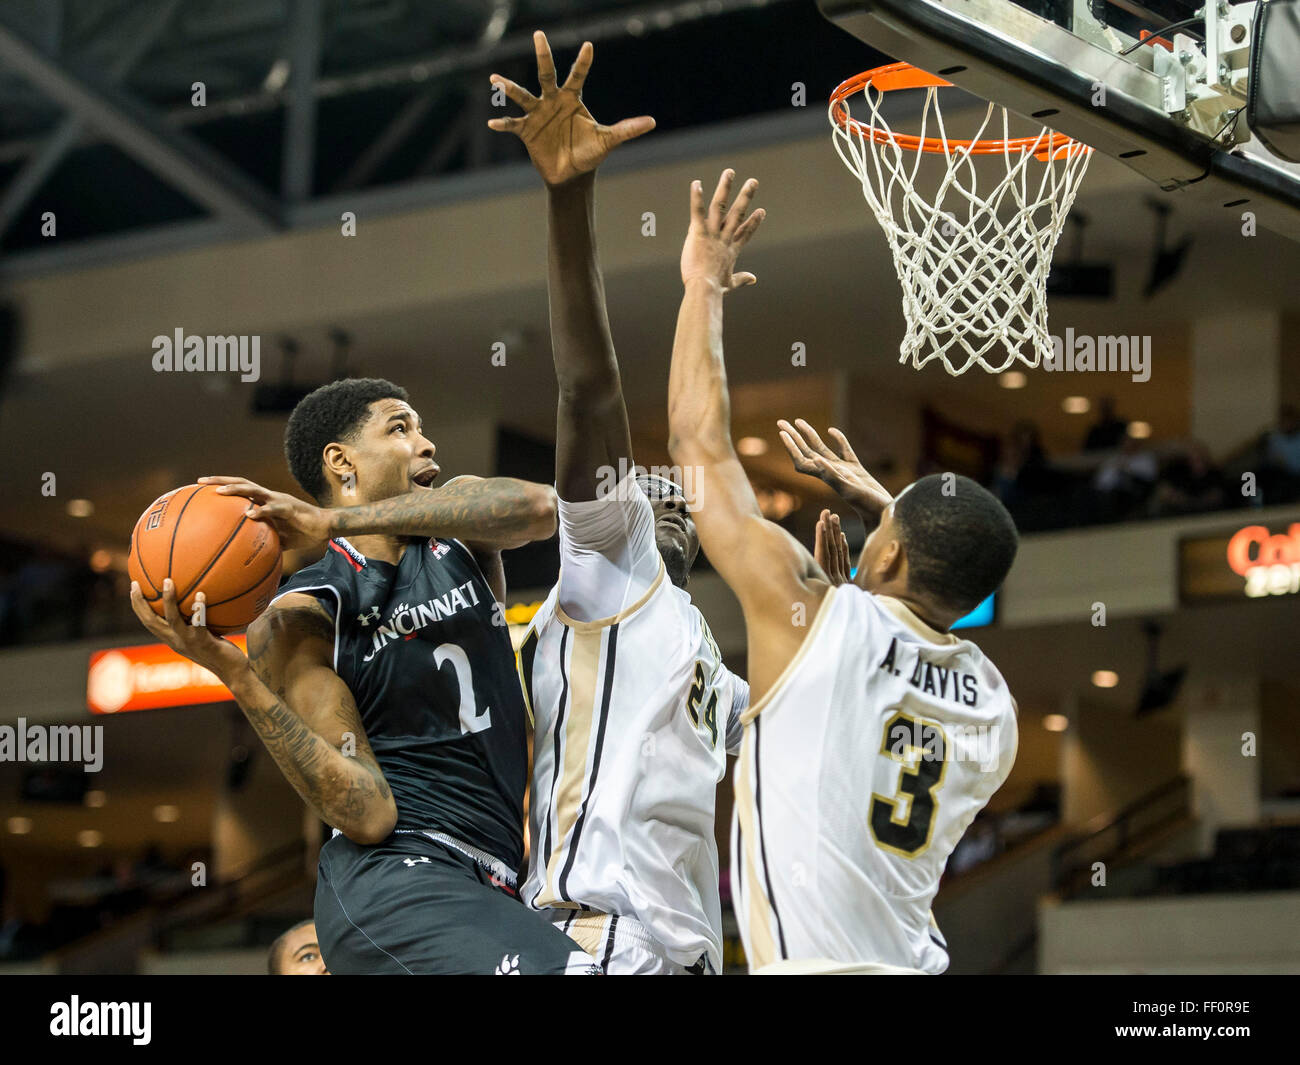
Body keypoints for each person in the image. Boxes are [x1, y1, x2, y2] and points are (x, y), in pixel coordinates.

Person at [667, 170, 1019, 973]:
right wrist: (895, 526)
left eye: (887, 526)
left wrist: (702, 285)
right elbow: (916, 635)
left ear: (887, 553)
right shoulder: (995, 711)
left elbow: (697, 446)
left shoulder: (818, 614)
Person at [130, 378, 598, 974]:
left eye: (421, 427)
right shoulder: (304, 613)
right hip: (397, 880)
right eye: (400, 428)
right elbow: (367, 813)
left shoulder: (457, 521)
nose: (426, 444)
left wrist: (330, 523)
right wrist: (237, 676)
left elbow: (537, 511)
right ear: (341, 461)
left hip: (493, 876)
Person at [489, 32, 747, 974]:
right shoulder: (609, 567)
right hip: (594, 941)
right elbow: (589, 391)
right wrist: (570, 197)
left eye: (674, 498)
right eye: (649, 491)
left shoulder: (716, 668)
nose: (664, 497)